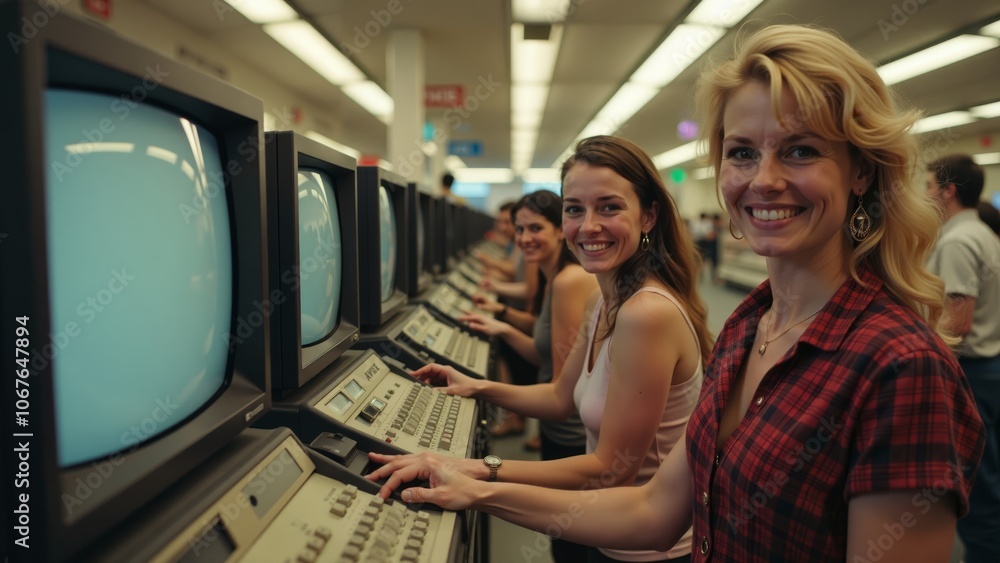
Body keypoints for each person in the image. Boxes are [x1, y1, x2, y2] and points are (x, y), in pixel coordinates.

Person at [365, 25, 986, 562]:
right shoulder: (749, 326)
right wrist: (472, 486)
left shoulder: (901, 367)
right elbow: (653, 511)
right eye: (742, 153)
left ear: (862, 171)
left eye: (800, 150)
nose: (764, 180)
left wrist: (484, 475)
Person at [368, 135, 712, 563]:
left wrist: (477, 472)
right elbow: (558, 396)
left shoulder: (646, 314)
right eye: (575, 209)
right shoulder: (603, 300)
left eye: (609, 207)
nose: (588, 226)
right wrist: (475, 386)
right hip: (605, 531)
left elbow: (611, 468)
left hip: (646, 552)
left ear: (648, 216)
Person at [458, 190, 598, 561]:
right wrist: (502, 326)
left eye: (536, 228)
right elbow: (545, 354)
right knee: (563, 542)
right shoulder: (554, 279)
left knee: (568, 546)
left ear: (560, 230)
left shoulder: (568, 281)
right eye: (519, 229)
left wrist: (479, 388)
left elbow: (559, 389)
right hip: (558, 429)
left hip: (570, 435)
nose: (524, 238)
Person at [925, 155, 1000, 563]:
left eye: (929, 186)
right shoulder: (984, 232)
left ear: (948, 191)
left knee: (977, 489)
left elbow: (958, 323)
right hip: (990, 370)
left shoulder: (957, 241)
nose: (925, 195)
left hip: (971, 373)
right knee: (989, 478)